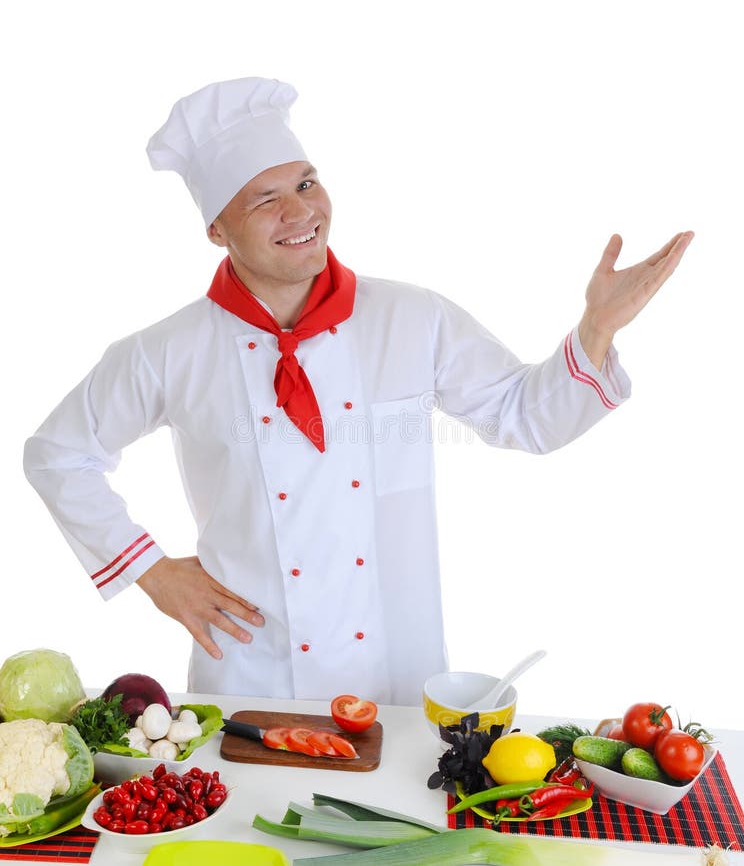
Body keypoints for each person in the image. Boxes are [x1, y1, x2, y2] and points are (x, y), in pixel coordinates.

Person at [23, 77, 693, 705]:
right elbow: (56, 454)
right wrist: (153, 572)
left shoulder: (411, 317)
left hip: (391, 679)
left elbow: (526, 416)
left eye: (307, 183)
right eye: (264, 199)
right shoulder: (165, 351)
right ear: (216, 232)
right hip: (249, 678)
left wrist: (597, 328)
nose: (300, 212)